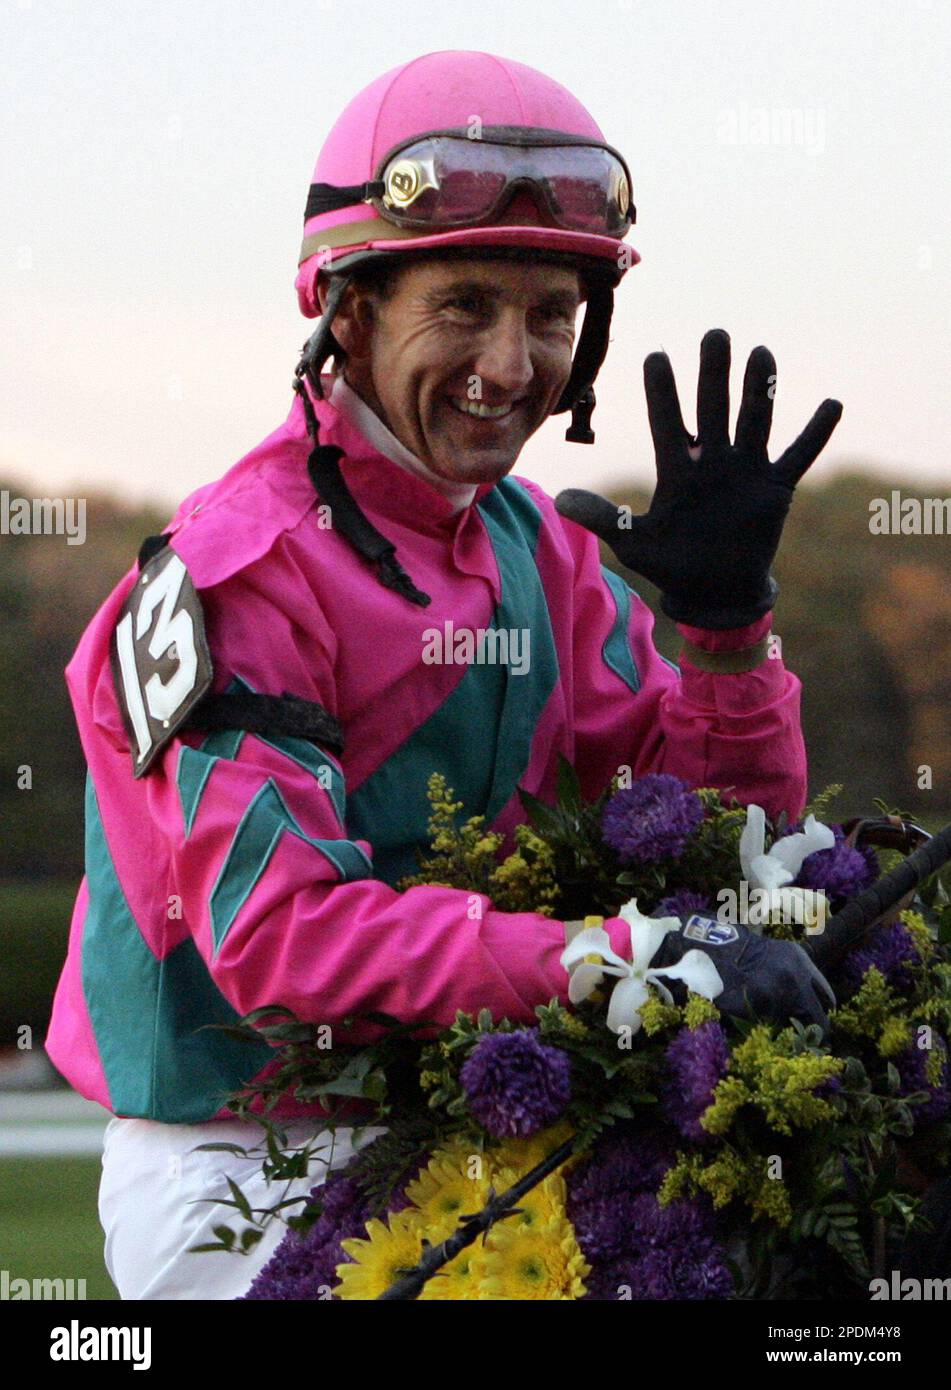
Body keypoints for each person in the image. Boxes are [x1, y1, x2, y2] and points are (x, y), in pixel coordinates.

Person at [44, 49, 842, 1299]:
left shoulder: (545, 551)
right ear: (349, 310)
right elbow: (285, 944)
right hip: (247, 1156)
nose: (515, 365)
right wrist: (618, 960)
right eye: (465, 304)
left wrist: (730, 640)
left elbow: (715, 850)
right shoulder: (232, 574)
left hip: (501, 1124)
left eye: (551, 314)